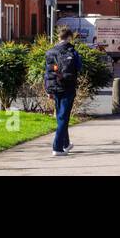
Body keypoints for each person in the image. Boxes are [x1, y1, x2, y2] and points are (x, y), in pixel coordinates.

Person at [43, 26, 82, 156]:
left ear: (58, 37)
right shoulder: (73, 52)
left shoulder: (49, 52)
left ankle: (66, 144)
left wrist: (48, 89)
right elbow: (79, 67)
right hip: (68, 86)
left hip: (54, 87)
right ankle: (57, 147)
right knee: (63, 118)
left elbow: (47, 72)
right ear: (69, 37)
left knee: (61, 115)